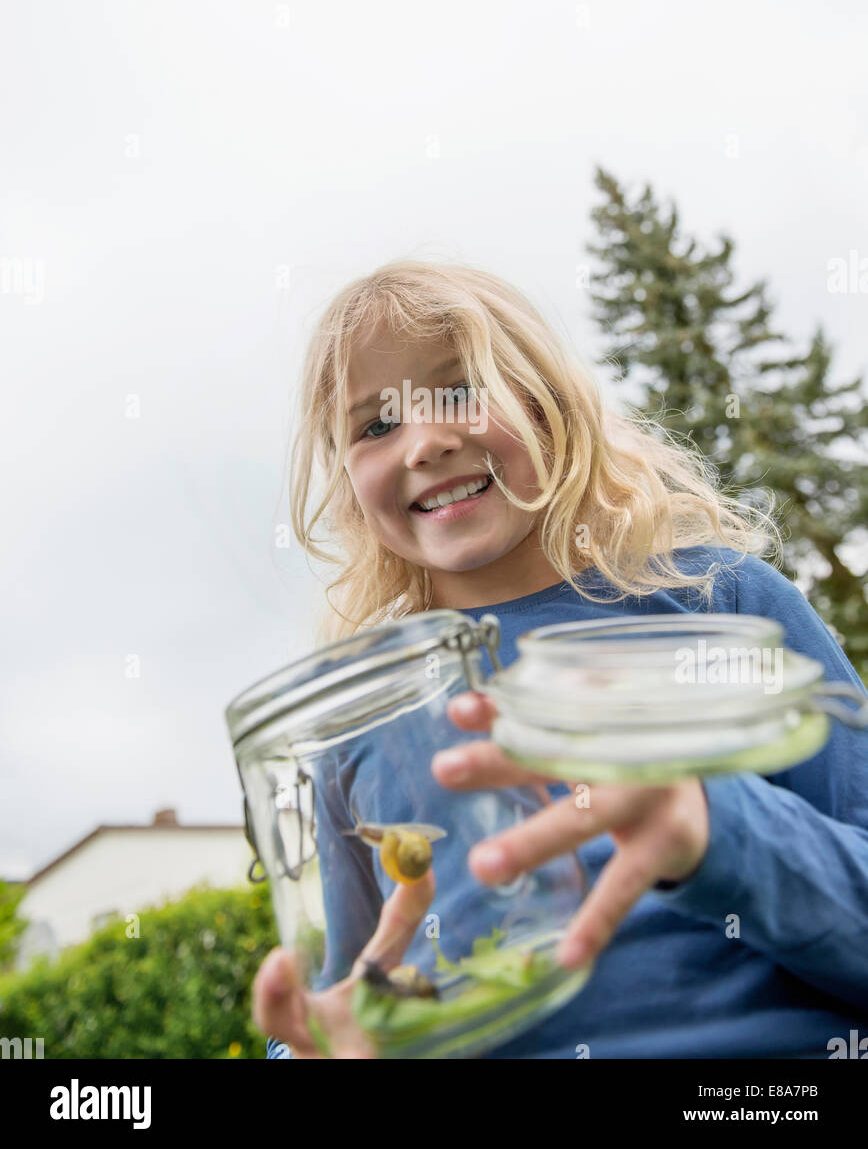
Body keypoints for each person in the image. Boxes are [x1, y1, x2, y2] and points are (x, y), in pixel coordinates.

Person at [252, 259, 868, 1059]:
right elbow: (346, 993)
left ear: (547, 403)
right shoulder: (362, 719)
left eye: (460, 388)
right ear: (346, 483)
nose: (427, 441)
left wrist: (715, 824)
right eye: (374, 426)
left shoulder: (726, 602)